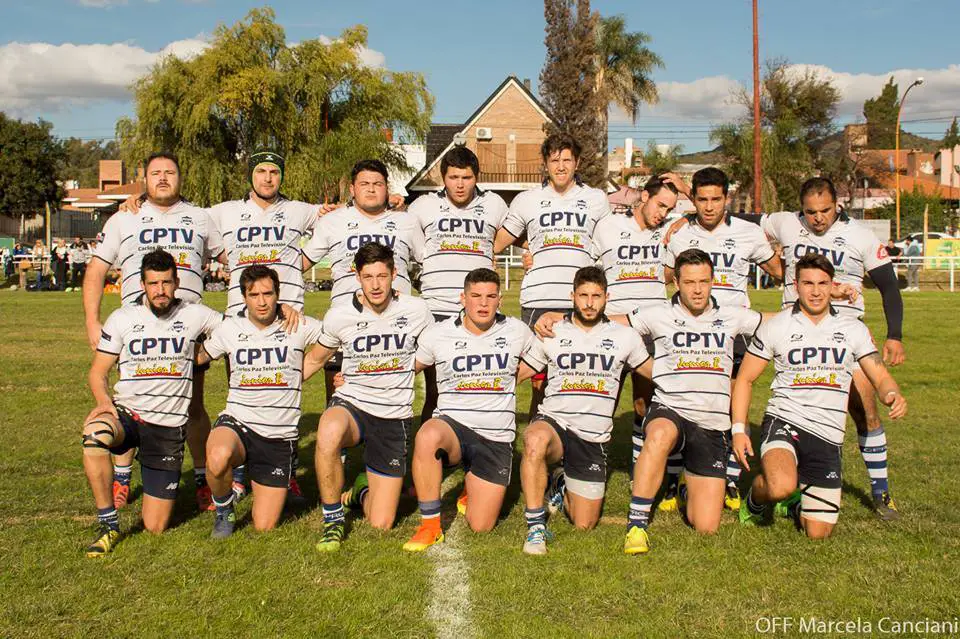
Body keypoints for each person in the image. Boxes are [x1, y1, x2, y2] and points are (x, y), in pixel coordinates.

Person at [84, 152, 227, 512]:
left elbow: (234, 258)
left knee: (193, 406)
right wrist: (91, 320)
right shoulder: (124, 217)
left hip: (188, 329)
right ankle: (121, 478)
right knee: (131, 404)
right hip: (137, 329)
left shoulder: (201, 217)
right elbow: (97, 270)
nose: (163, 178)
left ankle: (201, 479)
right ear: (144, 179)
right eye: (156, 173)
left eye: (170, 172)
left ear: (181, 177)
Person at [733, 253, 907, 539]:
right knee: (780, 486)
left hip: (828, 434)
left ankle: (796, 501)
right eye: (808, 283)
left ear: (832, 285)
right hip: (785, 420)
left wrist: (892, 394)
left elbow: (879, 375)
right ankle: (756, 500)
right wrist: (739, 429)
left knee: (818, 533)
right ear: (796, 286)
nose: (815, 292)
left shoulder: (853, 328)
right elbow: (745, 379)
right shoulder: (776, 326)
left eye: (822, 283)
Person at [620, 249, 764, 554]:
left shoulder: (733, 315)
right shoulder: (657, 314)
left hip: (712, 424)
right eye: (689, 282)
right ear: (676, 283)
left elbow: (777, 324)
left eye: (703, 282)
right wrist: (561, 319)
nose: (697, 290)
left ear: (713, 281)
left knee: (706, 525)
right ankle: (636, 525)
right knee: (659, 434)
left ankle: (687, 489)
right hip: (670, 408)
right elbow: (611, 324)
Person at [80, 249, 222, 557]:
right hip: (128, 415)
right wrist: (104, 402)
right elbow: (97, 372)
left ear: (177, 282)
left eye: (166, 282)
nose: (160, 290)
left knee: (155, 525)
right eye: (154, 283)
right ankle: (108, 523)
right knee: (94, 435)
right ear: (143, 284)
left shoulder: (195, 314)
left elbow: (238, 330)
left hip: (167, 428)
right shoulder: (123, 318)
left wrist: (206, 353)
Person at [658, 168, 782, 511]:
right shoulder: (680, 234)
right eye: (702, 199)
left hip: (734, 331)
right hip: (688, 333)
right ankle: (674, 478)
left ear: (727, 198)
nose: (709, 206)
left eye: (716, 199)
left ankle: (729, 479)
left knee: (730, 405)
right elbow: (662, 278)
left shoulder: (748, 232)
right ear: (693, 200)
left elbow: (780, 271)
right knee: (682, 403)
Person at [302, 242, 433, 552]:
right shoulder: (340, 315)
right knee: (329, 429)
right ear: (357, 276)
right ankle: (333, 520)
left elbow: (434, 350)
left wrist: (399, 368)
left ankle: (361, 490)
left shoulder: (417, 310)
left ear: (394, 274)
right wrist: (278, 386)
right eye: (368, 277)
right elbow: (315, 359)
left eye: (382, 276)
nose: (375, 285)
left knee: (381, 522)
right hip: (353, 404)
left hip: (394, 414)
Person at [516, 266, 651, 555]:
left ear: (607, 298)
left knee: (584, 523)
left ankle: (559, 480)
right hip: (555, 422)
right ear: (572, 296)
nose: (589, 303)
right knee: (535, 439)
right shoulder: (552, 332)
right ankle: (535, 526)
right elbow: (520, 372)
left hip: (592, 437)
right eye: (583, 295)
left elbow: (653, 372)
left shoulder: (626, 337)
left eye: (596, 296)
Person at [402, 268, 534, 551]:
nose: (483, 303)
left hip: (495, 437)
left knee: (481, 526)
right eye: (476, 296)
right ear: (463, 298)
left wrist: (549, 321)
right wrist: (351, 377)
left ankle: (470, 486)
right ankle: (430, 527)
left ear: (500, 299)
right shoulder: (438, 334)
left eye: (490, 297)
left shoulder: (518, 331)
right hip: (453, 426)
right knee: (428, 434)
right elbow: (405, 369)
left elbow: (545, 355)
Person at [197, 264, 324, 537]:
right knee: (218, 457)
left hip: (278, 435)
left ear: (278, 294)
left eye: (268, 294)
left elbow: (339, 337)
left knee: (264, 525)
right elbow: (198, 356)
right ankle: (224, 509)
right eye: (254, 295)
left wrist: (344, 374)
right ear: (244, 297)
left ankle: (264, 479)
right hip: (238, 422)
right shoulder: (230, 328)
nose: (262, 301)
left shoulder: (297, 325)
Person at [493, 134, 610, 418]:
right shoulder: (527, 200)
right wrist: (525, 247)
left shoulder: (596, 199)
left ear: (577, 163)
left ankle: (573, 436)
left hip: (580, 301)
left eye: (567, 160)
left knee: (575, 377)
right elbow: (497, 241)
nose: (561, 166)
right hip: (538, 298)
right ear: (545, 164)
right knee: (539, 382)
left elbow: (609, 242)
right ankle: (539, 437)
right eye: (554, 160)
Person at [302, 159, 424, 409]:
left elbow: (430, 261)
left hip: (395, 324)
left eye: (377, 184)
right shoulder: (332, 221)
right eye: (364, 183)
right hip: (346, 323)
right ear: (352, 189)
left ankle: (393, 429)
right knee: (337, 395)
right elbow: (300, 263)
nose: (371, 189)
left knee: (391, 394)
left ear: (387, 188)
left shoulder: (407, 222)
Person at [590, 174, 681, 506]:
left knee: (646, 403)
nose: (662, 213)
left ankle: (641, 469)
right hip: (614, 329)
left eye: (669, 208)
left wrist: (682, 207)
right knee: (604, 401)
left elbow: (704, 215)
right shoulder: (607, 227)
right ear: (644, 196)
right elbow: (588, 269)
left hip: (651, 332)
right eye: (660, 205)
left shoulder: (671, 232)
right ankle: (591, 467)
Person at [408, 146, 509, 423]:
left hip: (478, 311)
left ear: (477, 177)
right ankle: (429, 444)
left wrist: (531, 253)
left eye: (466, 177)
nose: (460, 184)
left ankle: (478, 439)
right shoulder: (423, 206)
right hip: (435, 311)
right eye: (453, 177)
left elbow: (523, 233)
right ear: (443, 178)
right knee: (436, 391)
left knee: (475, 388)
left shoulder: (494, 204)